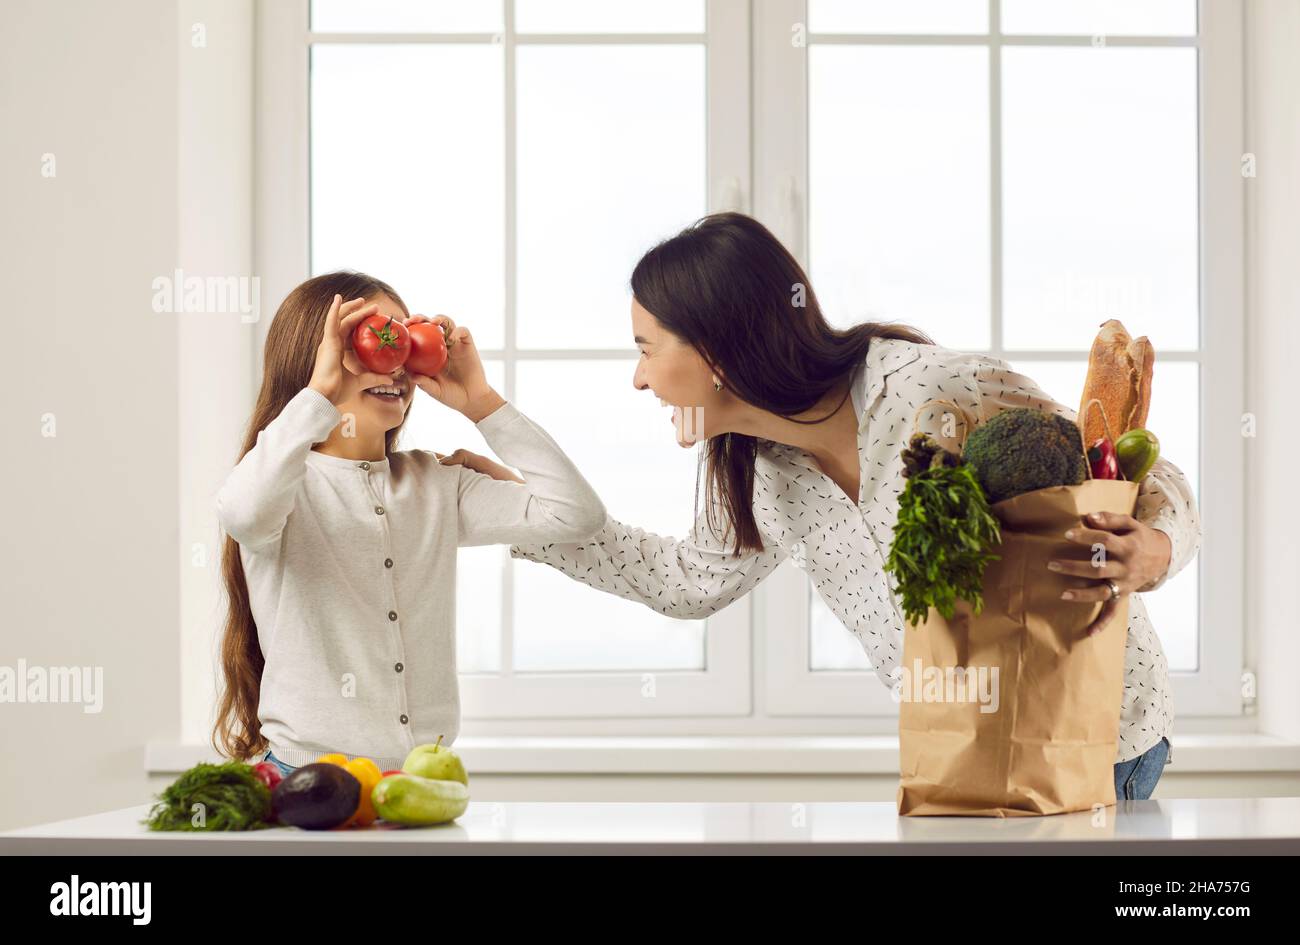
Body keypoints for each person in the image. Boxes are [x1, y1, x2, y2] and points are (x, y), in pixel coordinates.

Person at [449, 213, 1199, 800]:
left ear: (713, 353)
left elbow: (1131, 463)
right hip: (970, 749)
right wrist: (527, 514)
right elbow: (686, 580)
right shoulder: (762, 472)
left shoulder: (931, 390)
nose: (639, 380)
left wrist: (1155, 550)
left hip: (1101, 732)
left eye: (646, 348)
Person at [212, 270, 606, 774]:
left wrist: (481, 402)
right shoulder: (283, 487)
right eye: (372, 340)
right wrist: (318, 393)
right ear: (320, 358)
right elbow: (241, 512)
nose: (395, 363)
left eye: (404, 340)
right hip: (305, 778)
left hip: (422, 778)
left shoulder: (435, 483)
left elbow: (576, 514)